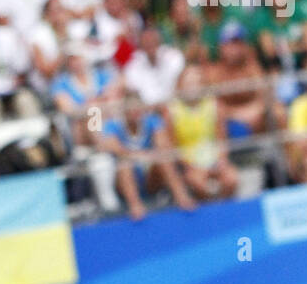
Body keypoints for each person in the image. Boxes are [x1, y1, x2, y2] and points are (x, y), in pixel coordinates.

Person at [101, 92, 195, 221]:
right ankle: (135, 205)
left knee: (164, 160)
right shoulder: (113, 125)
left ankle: (182, 197)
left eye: (137, 108)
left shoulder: (152, 121)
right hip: (125, 178)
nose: (134, 112)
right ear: (123, 111)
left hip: (149, 175)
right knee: (124, 164)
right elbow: (114, 148)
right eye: (130, 109)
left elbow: (163, 145)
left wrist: (142, 156)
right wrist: (141, 155)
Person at [167, 66, 238, 202]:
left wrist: (221, 161)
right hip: (191, 163)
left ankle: (223, 210)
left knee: (231, 179)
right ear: (180, 85)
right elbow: (173, 148)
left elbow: (222, 139)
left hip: (214, 159)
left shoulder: (215, 105)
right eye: (189, 83)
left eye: (196, 82)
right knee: (199, 184)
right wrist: (191, 166)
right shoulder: (171, 111)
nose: (193, 87)